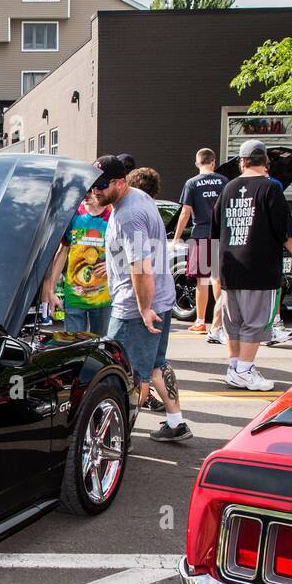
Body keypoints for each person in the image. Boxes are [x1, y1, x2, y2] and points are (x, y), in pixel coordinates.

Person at [89, 155, 192, 442]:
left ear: (120, 182)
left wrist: (144, 309)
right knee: (156, 365)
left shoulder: (127, 215)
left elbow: (141, 267)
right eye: (93, 185)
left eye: (102, 185)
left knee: (128, 374)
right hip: (160, 299)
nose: (96, 191)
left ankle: (118, 438)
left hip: (137, 308)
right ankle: (175, 422)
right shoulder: (139, 198)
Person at [210, 139, 292, 391]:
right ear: (266, 162)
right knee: (255, 322)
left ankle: (235, 367)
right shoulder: (271, 188)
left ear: (242, 162)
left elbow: (216, 229)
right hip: (259, 267)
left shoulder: (227, 188)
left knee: (233, 322)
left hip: (230, 265)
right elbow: (284, 229)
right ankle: (244, 370)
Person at [172, 148, 227, 336]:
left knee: (201, 280)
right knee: (218, 278)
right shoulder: (223, 181)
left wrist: (177, 237)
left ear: (197, 163)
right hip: (220, 234)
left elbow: (185, 212)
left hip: (200, 233)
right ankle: (220, 322)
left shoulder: (192, 183)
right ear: (214, 162)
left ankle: (200, 321)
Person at [44, 188, 112, 335]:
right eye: (83, 191)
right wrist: (51, 290)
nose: (85, 195)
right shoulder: (74, 215)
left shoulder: (113, 215)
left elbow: (129, 250)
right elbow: (62, 251)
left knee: (99, 346)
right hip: (74, 296)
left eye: (89, 191)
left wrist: (111, 264)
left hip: (103, 298)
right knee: (74, 347)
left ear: (99, 189)